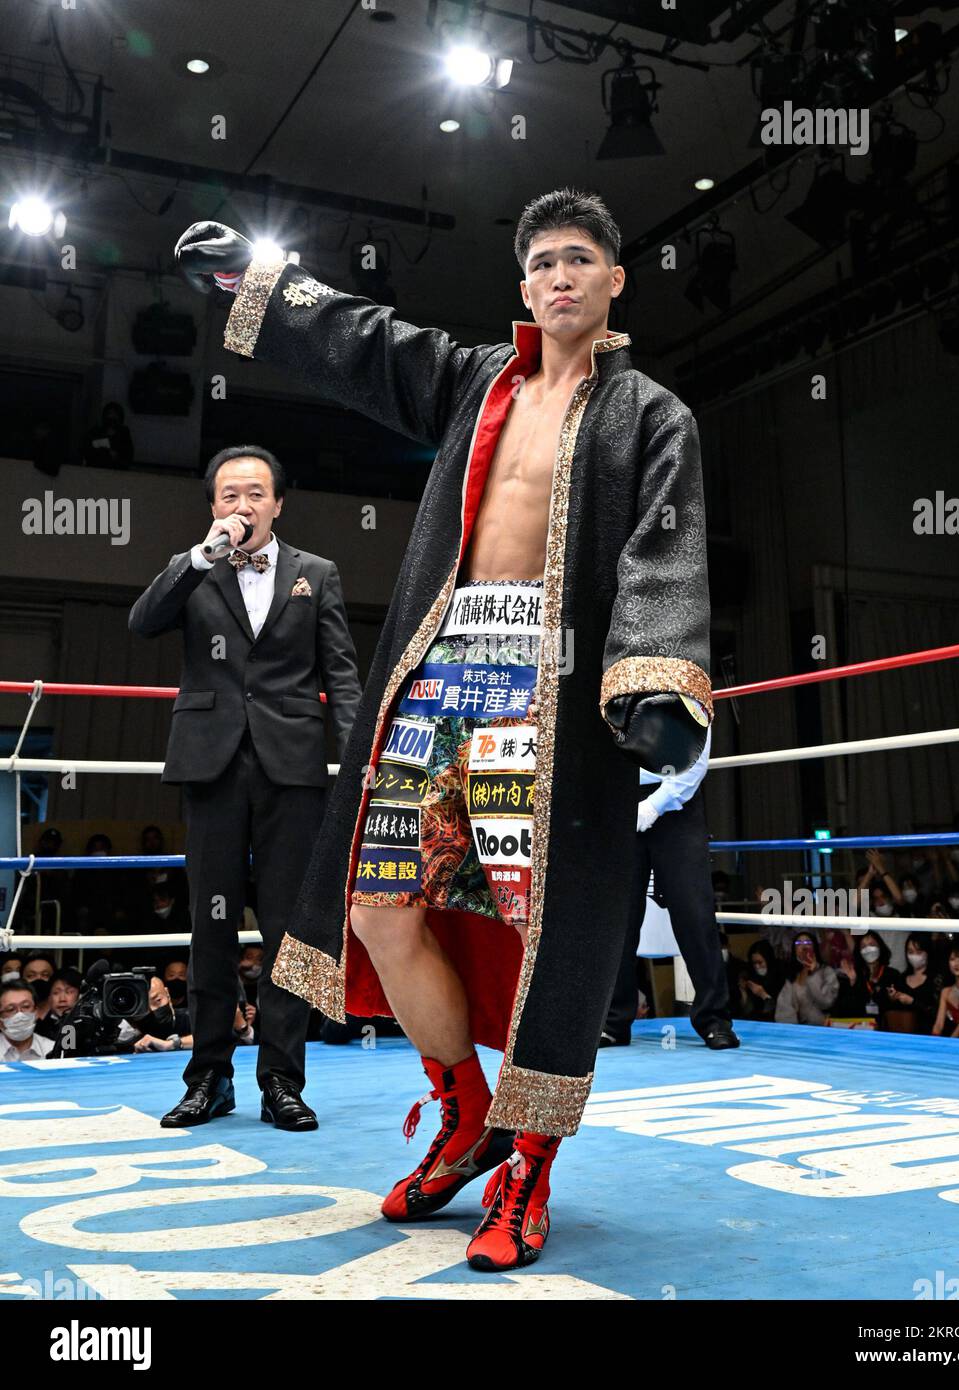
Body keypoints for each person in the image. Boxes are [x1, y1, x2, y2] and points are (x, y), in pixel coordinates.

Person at [173, 185, 713, 1272]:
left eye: (577, 259)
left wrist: (654, 680)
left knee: (535, 928)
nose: (557, 275)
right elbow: (363, 340)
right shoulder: (478, 382)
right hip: (441, 666)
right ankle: (464, 1113)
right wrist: (256, 285)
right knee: (379, 906)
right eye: (540, 262)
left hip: (549, 691)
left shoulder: (650, 412)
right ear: (524, 287)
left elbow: (663, 546)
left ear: (612, 280)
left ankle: (527, 1168)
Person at [128, 444, 364, 1132]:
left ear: (278, 503)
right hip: (212, 765)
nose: (242, 505)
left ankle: (283, 1080)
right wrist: (199, 556)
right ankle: (208, 1077)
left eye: (255, 494)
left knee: (290, 929)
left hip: (291, 768)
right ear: (213, 505)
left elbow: (342, 676)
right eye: (229, 495)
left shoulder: (315, 574)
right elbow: (142, 621)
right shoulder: (193, 571)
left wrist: (354, 764)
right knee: (212, 925)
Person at [601, 724, 739, 1049]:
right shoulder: (605, 680)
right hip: (620, 795)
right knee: (617, 917)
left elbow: (697, 751)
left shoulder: (687, 674)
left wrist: (655, 804)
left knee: (694, 911)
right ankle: (613, 1021)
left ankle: (714, 1020)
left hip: (677, 799)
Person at [775, 931, 839, 1025]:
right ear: (794, 950)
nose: (804, 946)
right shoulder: (791, 976)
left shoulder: (826, 971)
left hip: (823, 1028)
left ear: (814, 947)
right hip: (799, 1031)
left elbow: (826, 1002)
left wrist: (813, 974)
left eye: (808, 943)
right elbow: (783, 1010)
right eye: (798, 943)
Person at [888, 933, 940, 1033]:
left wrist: (912, 1002)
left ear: (928, 952)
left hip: (927, 1035)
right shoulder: (901, 979)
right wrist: (893, 998)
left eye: (919, 952)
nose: (914, 956)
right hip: (903, 1035)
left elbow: (937, 1012)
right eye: (910, 952)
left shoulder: (936, 979)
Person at [0, 982, 56, 1061]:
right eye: (10, 1009)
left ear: (36, 1012)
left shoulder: (52, 1049)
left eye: (26, 1006)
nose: (19, 1015)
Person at [736, 939, 784, 1021]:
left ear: (768, 960)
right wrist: (743, 990)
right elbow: (746, 1011)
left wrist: (763, 995)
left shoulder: (780, 976)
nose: (757, 966)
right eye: (754, 963)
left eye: (760, 962)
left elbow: (781, 1012)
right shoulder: (751, 977)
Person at [81, 400, 134, 469]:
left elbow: (128, 455)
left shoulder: (124, 433)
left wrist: (116, 456)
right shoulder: (96, 431)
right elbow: (87, 449)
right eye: (109, 414)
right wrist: (104, 453)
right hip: (97, 468)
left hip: (117, 470)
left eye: (115, 414)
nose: (112, 417)